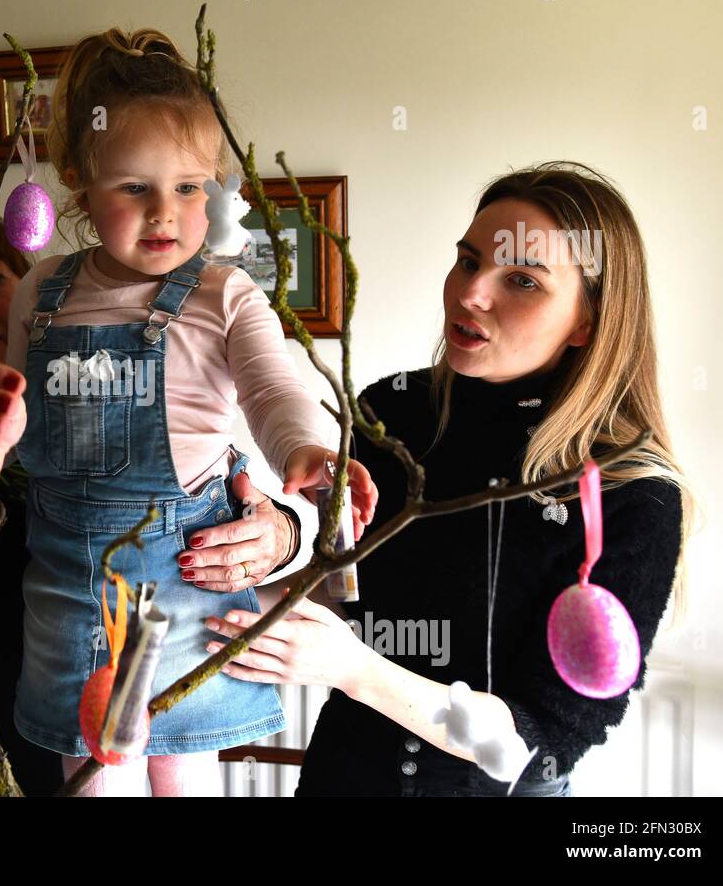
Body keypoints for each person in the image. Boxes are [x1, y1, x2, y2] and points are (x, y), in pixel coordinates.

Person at [0, 29, 377, 797]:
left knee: (185, 780)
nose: (165, 213)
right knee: (92, 783)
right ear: (78, 178)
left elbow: (275, 390)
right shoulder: (41, 290)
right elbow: (15, 419)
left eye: (189, 188)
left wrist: (304, 453)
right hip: (69, 589)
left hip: (186, 585)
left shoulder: (224, 293)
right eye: (134, 189)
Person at [205, 162, 692, 796]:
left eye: (521, 280)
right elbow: (342, 590)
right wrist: (261, 553)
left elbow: (543, 738)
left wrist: (357, 672)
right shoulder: (396, 414)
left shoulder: (631, 493)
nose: (471, 293)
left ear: (587, 323)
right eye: (468, 261)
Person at [0, 196, 307, 796]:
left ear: (30, 292)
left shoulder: (97, 395)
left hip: (101, 709)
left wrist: (283, 532)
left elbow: (205, 487)